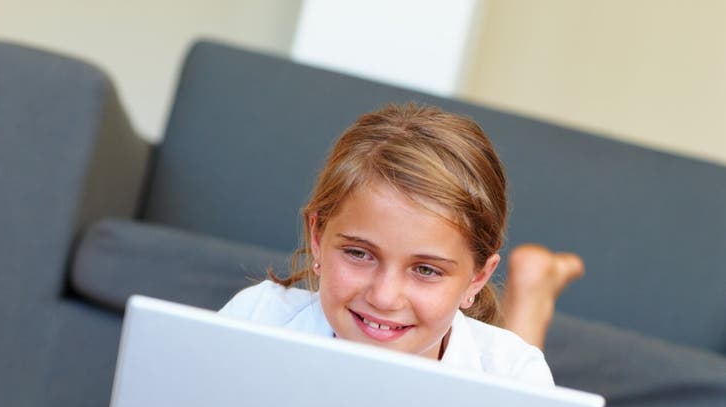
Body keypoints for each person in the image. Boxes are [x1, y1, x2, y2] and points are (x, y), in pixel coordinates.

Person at [219, 102, 583, 385]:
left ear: (476, 279)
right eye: (359, 253)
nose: (384, 297)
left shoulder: (515, 373)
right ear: (317, 239)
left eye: (426, 270)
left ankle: (532, 293)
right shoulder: (255, 320)